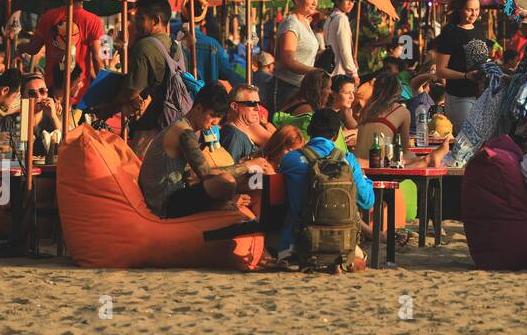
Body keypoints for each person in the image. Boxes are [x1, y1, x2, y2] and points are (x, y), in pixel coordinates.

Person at [137, 84, 262, 219]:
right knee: (226, 181)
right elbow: (206, 174)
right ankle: (221, 205)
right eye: (213, 115)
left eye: (220, 117)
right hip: (163, 205)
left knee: (230, 180)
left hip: (170, 196)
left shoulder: (184, 127)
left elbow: (192, 175)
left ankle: (221, 204)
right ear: (198, 108)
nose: (216, 122)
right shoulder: (184, 132)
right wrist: (246, 166)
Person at [276, 107, 373, 264]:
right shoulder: (347, 160)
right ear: (336, 136)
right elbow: (367, 201)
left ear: (309, 131)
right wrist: (364, 177)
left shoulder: (290, 160)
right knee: (361, 260)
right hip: (342, 244)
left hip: (295, 245)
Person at [112, 0, 181, 155]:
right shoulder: (175, 46)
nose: (135, 24)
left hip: (149, 130)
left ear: (156, 20)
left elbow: (131, 92)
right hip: (173, 126)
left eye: (141, 19)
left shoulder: (145, 46)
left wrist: (106, 110)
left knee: (139, 175)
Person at [16, 0, 104, 104]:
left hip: (53, 89)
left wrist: (19, 45)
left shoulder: (49, 16)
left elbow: (33, 48)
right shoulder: (93, 20)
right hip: (79, 89)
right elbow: (97, 59)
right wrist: (103, 89)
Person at [430, 0, 487, 129]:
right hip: (459, 97)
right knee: (466, 141)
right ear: (460, 9)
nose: (474, 14)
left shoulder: (479, 29)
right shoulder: (451, 33)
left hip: (480, 97)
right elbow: (440, 71)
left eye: (477, 9)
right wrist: (466, 76)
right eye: (469, 10)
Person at [266, 0, 321, 116]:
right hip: (287, 88)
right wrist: (316, 71)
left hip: (303, 88)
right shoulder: (292, 24)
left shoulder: (306, 23)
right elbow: (287, 60)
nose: (314, 2)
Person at [220, 84, 270, 163]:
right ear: (235, 106)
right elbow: (230, 172)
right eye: (252, 103)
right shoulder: (233, 135)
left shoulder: (240, 133)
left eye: (258, 103)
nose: (258, 108)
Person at [322, 0, 360, 81]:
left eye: (353, 1)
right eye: (347, 0)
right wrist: (353, 72)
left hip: (329, 68)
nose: (351, 4)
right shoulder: (341, 18)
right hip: (340, 71)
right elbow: (345, 48)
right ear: (337, 0)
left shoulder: (330, 18)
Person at [195, 16, 239, 88]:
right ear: (203, 22)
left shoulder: (175, 42)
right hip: (206, 95)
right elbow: (226, 71)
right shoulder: (212, 44)